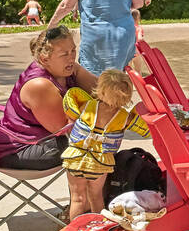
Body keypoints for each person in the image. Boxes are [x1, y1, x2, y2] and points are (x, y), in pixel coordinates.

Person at [0, 26, 97, 172]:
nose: (72, 57)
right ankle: (90, 195)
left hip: (41, 141)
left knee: (99, 137)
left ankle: (96, 193)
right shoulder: (39, 85)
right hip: (17, 150)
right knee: (94, 143)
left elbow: (101, 91)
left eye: (73, 50)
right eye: (64, 54)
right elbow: (65, 128)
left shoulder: (67, 68)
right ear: (44, 59)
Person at [60, 69, 150, 221]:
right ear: (127, 96)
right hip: (100, 163)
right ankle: (98, 230)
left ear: (100, 89)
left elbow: (71, 115)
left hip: (75, 159)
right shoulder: (124, 118)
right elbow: (145, 131)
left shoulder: (87, 107)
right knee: (96, 197)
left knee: (77, 199)